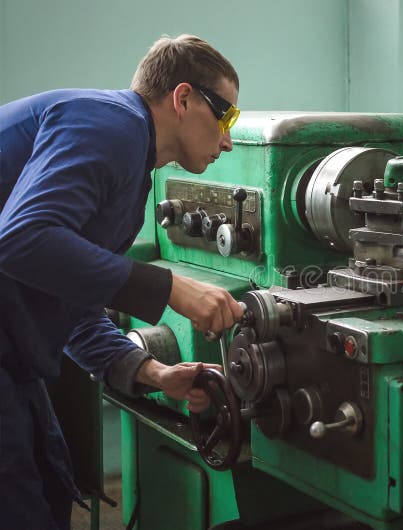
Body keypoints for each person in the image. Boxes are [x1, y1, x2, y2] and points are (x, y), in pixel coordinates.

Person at [0, 35, 244, 529]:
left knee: (49, 489)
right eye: (226, 116)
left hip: (14, 360)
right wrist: (172, 288)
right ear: (182, 98)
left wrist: (152, 373)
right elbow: (21, 238)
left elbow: (70, 297)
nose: (227, 140)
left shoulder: (132, 168)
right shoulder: (109, 123)